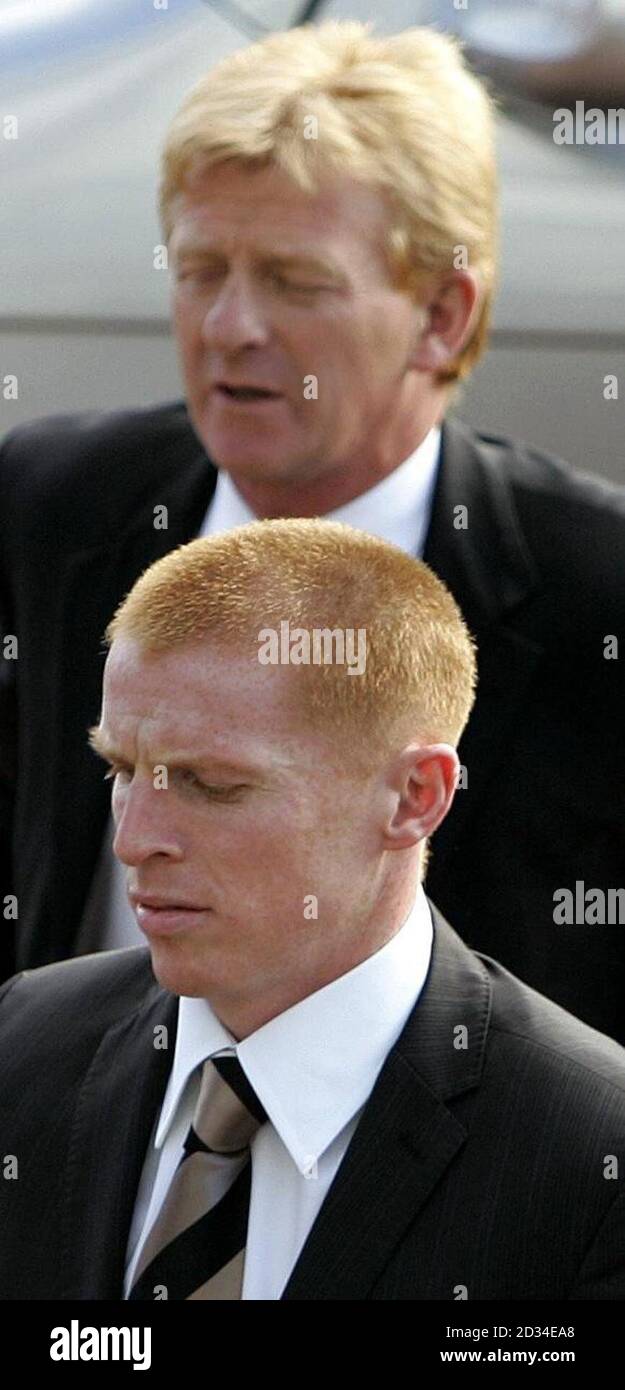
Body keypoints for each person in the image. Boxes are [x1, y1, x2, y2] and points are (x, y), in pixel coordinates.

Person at [1, 21, 624, 1042]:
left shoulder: (593, 590)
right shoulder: (57, 507)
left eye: (295, 281)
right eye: (201, 270)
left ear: (441, 315)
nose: (230, 327)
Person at [1, 518, 624, 1302]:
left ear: (413, 797)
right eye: (123, 768)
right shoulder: (23, 1046)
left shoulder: (590, 1164)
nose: (134, 840)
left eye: (211, 783)